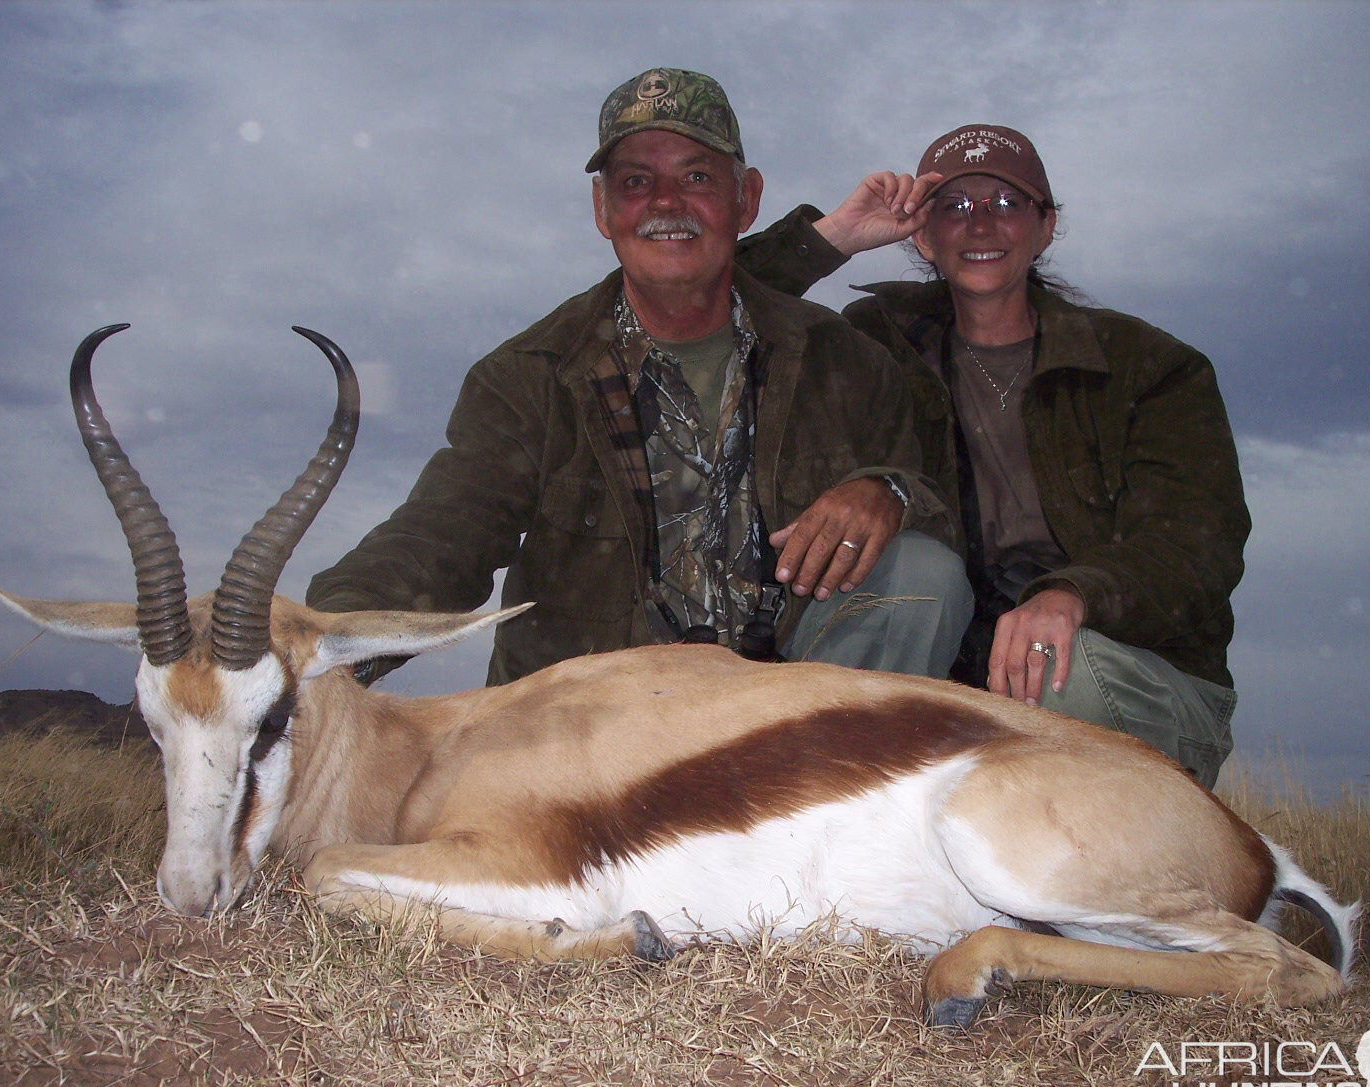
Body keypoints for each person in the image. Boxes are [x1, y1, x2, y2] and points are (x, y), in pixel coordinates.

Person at [307, 69, 972, 686]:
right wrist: (322, 637)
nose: (664, 202)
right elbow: (440, 533)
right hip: (593, 733)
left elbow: (932, 499)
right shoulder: (528, 375)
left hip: (781, 729)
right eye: (634, 182)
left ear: (747, 200)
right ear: (602, 210)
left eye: (697, 179)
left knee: (921, 575)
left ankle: (833, 806)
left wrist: (889, 492)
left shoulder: (844, 360)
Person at [737, 124, 1249, 787]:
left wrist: (1071, 595)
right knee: (913, 575)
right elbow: (693, 305)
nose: (980, 225)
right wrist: (829, 238)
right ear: (922, 233)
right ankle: (843, 831)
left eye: (1006, 204)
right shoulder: (870, 350)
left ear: (1046, 226)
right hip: (951, 690)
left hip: (1121, 674)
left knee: (1058, 669)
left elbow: (1198, 544)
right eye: (954, 206)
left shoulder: (1151, 367)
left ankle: (1105, 859)